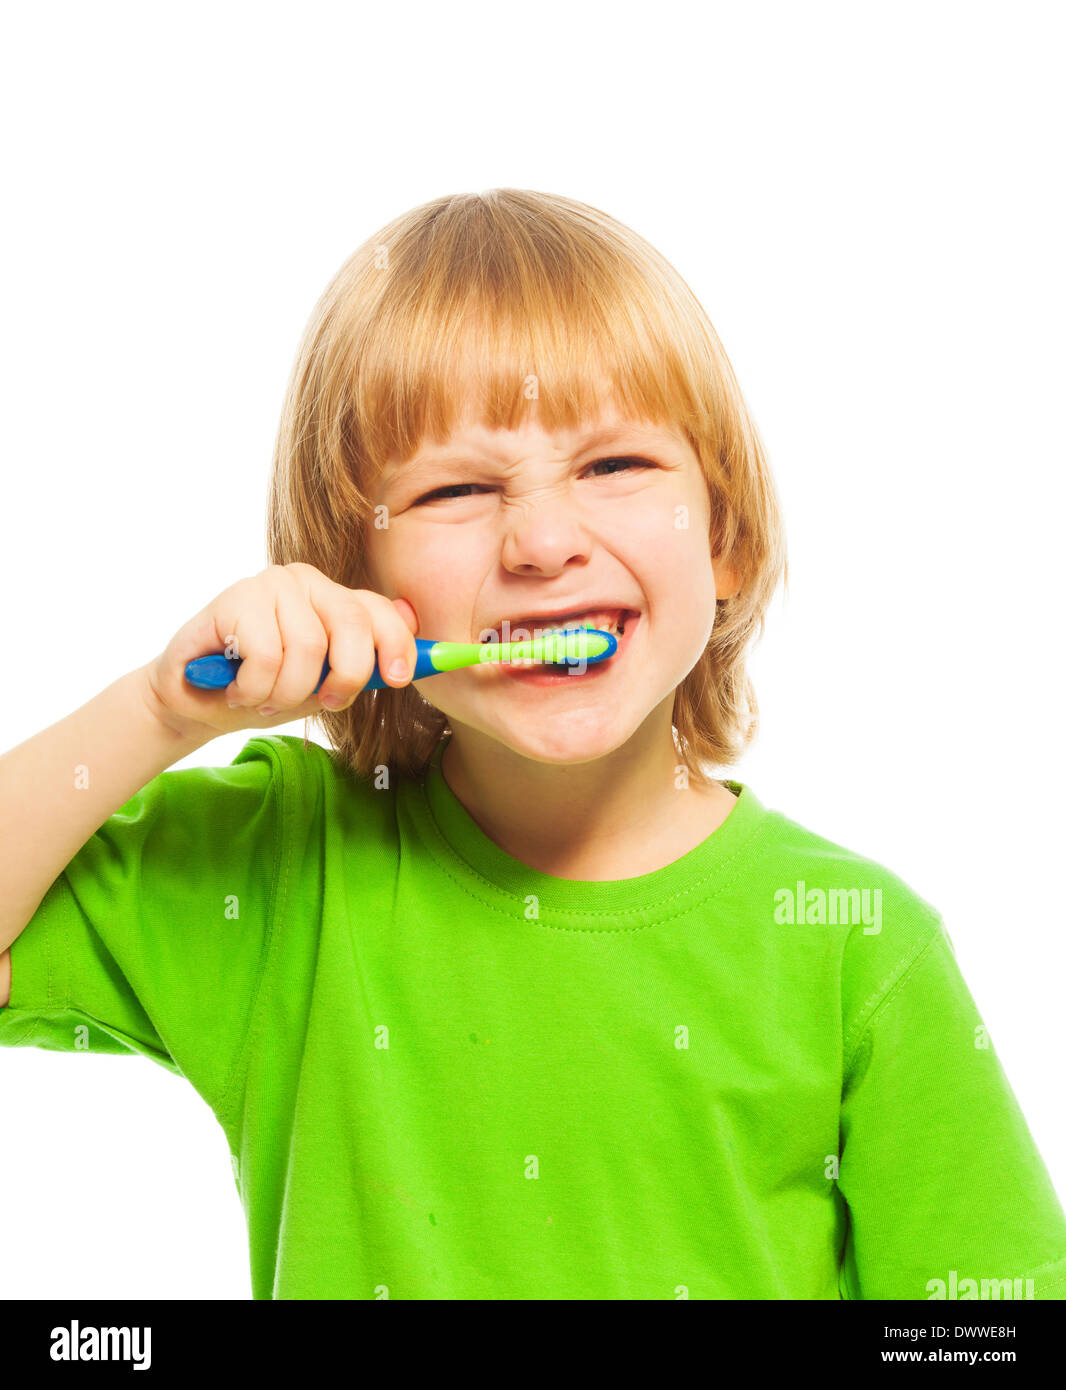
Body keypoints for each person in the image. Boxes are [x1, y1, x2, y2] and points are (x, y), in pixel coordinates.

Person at [2, 188, 1064, 1300]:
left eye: (614, 466)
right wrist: (162, 713)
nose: (545, 541)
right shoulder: (279, 870)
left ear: (727, 540)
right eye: (457, 488)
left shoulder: (858, 945)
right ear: (353, 587)